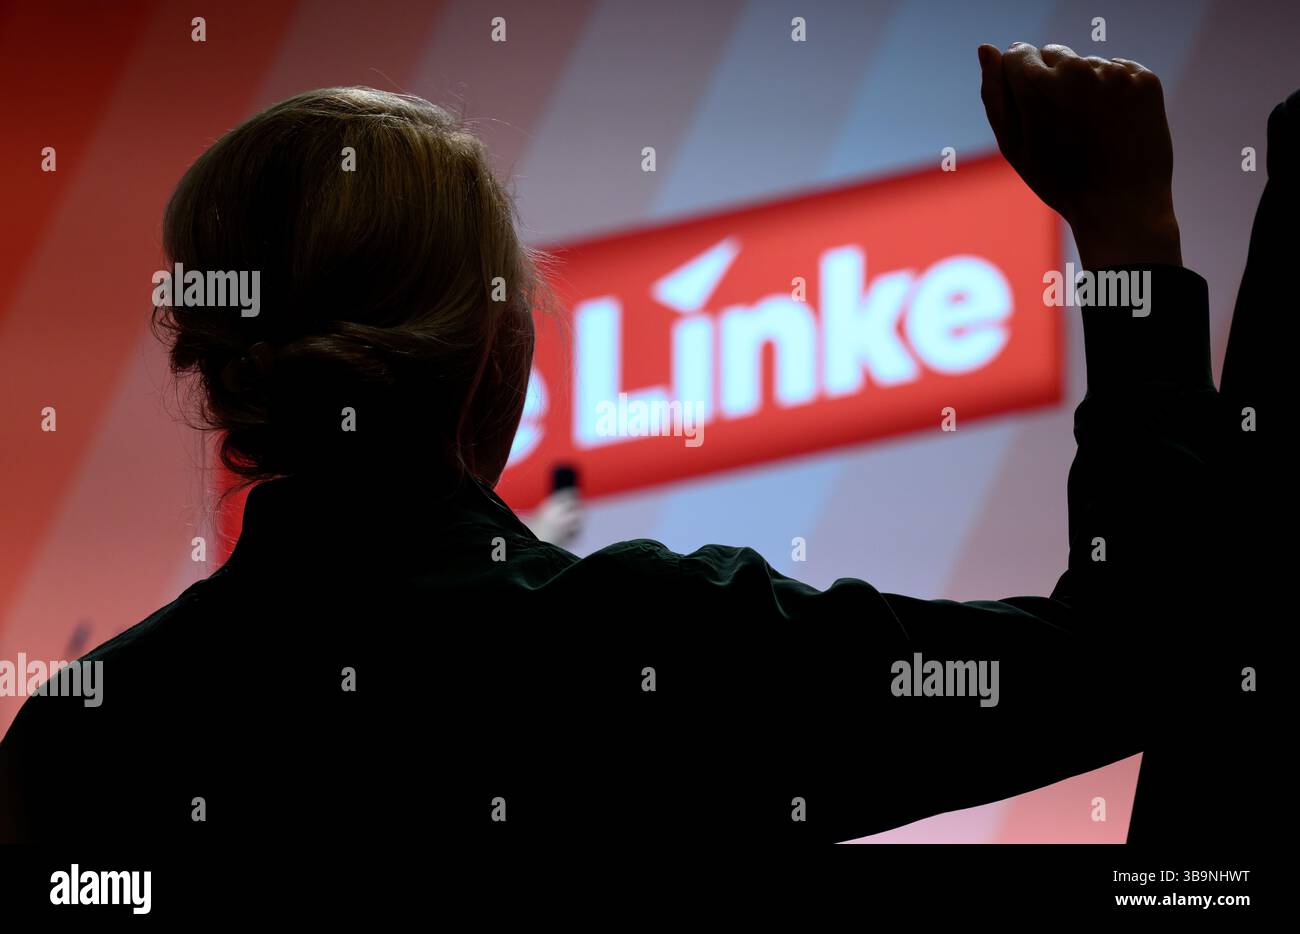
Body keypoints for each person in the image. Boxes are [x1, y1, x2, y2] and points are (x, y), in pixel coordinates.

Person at [0, 44, 1244, 845]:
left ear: (221, 374)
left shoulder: (80, 744)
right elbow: (1136, 654)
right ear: (491, 362)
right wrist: (1128, 236)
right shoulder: (654, 645)